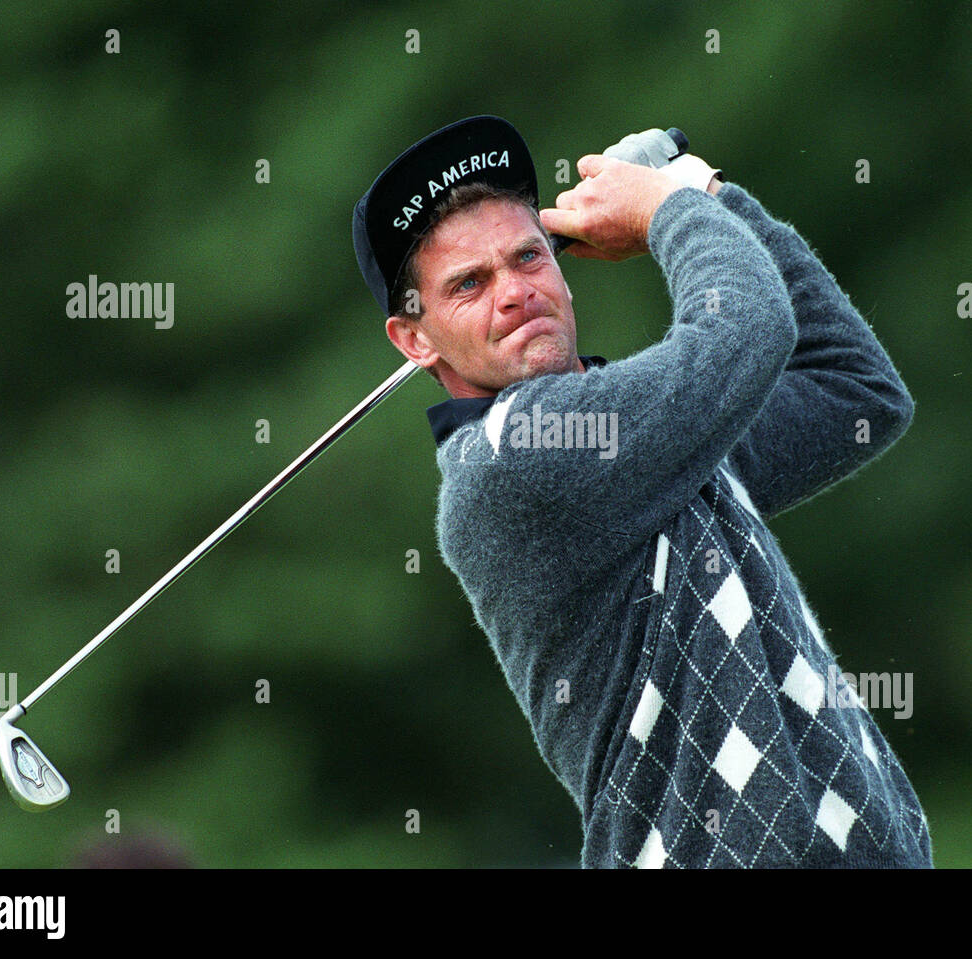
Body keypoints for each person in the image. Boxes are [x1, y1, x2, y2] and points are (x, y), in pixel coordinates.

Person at [353, 115, 932, 867]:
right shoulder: (509, 460)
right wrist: (667, 208)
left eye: (528, 256)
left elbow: (855, 390)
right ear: (416, 339)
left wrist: (710, 194)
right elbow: (744, 328)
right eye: (469, 283)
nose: (514, 292)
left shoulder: (646, 438)